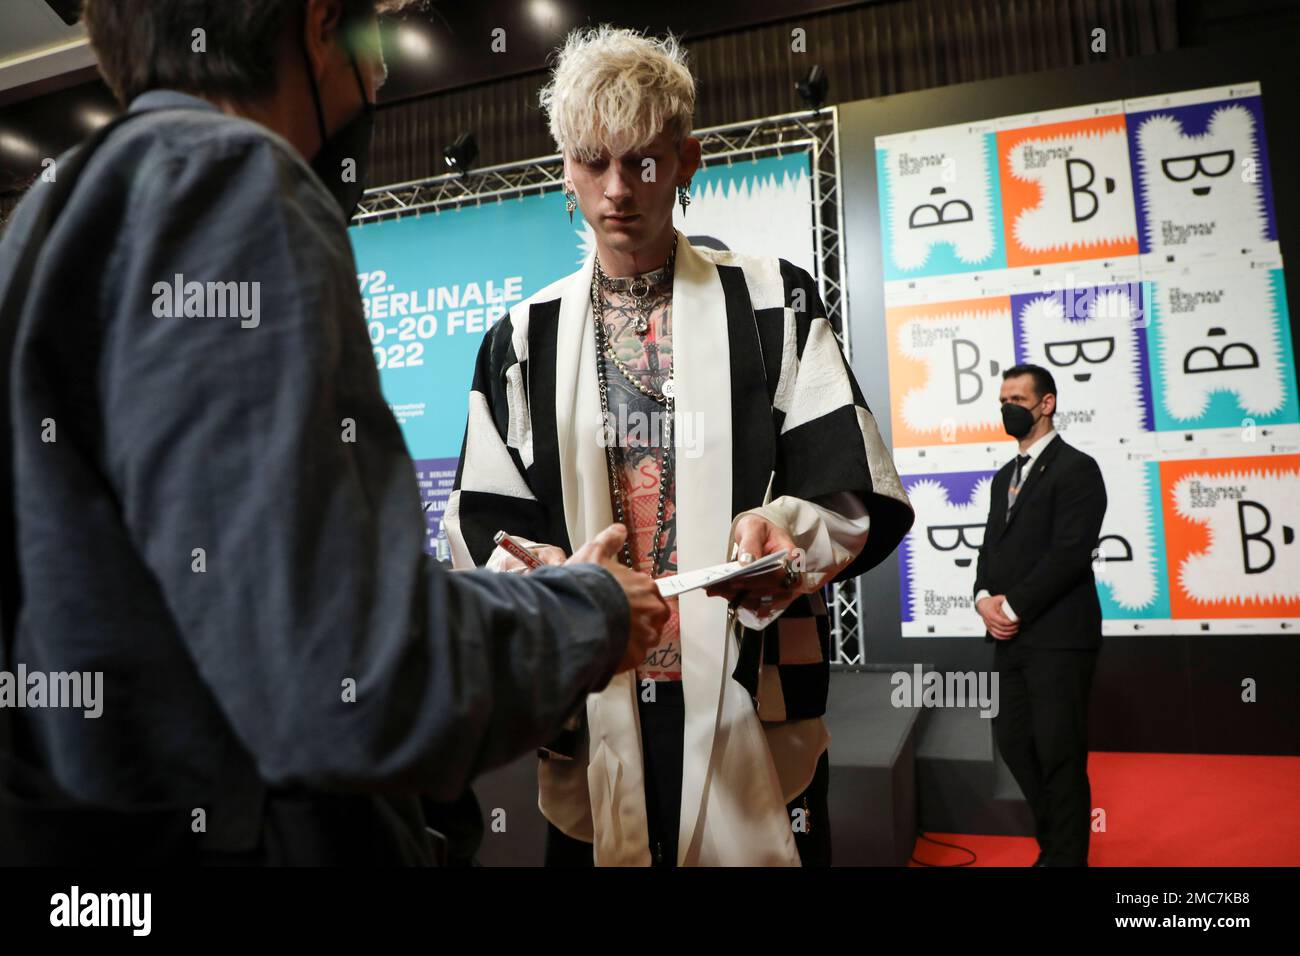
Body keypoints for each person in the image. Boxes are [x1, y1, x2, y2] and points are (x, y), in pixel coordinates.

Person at [0, 0, 667, 865]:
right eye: (373, 43)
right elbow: (354, 675)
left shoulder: (45, 223)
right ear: (319, 25)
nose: (381, 75)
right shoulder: (230, 185)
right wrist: (592, 612)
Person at [444, 25, 914, 867]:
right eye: (593, 161)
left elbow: (850, 489)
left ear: (687, 159)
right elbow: (483, 525)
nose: (618, 188)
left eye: (643, 160)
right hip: (589, 705)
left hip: (754, 693)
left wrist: (787, 535)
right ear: (565, 172)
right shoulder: (521, 338)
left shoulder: (775, 302)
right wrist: (547, 575)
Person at [973, 364, 1108, 867]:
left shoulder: (1078, 469)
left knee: (1060, 754)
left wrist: (1012, 606)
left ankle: (1065, 859)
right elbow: (990, 549)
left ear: (1046, 403)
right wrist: (983, 596)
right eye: (1002, 398)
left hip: (1059, 636)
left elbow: (1070, 554)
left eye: (1017, 398)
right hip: (1010, 637)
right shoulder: (1003, 476)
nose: (1008, 407)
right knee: (1014, 742)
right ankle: (1056, 845)